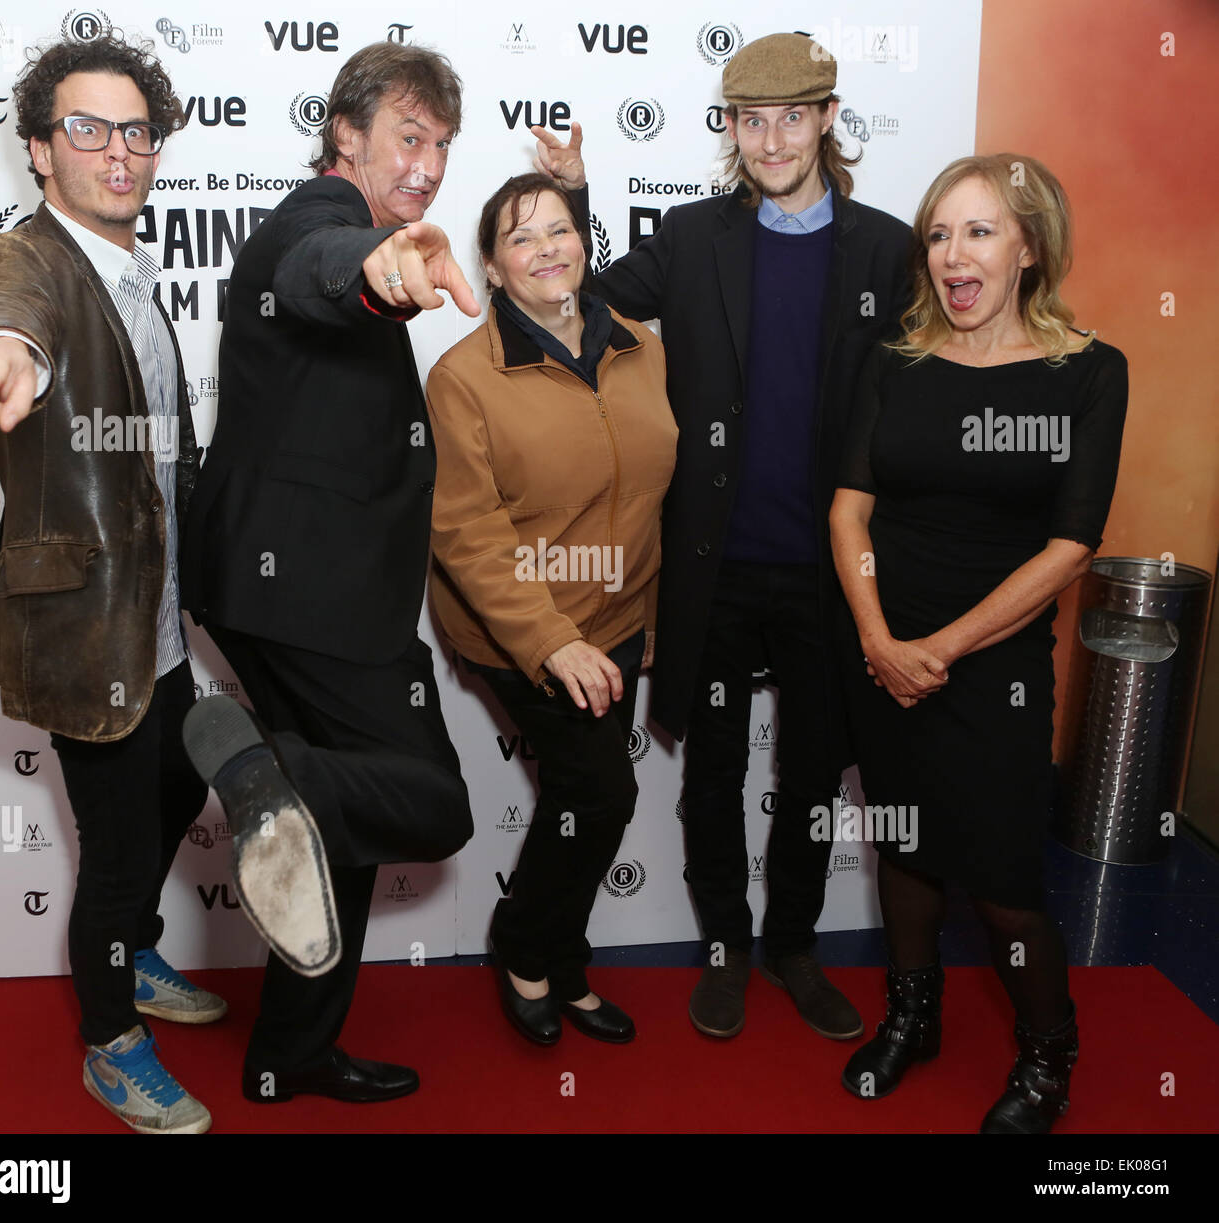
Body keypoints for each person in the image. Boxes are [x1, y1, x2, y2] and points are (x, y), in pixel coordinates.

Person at [534, 32, 912, 1040]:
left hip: (834, 569)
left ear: (828, 119)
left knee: (811, 770)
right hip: (716, 566)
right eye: (752, 119)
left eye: (793, 116)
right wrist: (571, 199)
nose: (773, 138)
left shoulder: (886, 247)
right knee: (713, 770)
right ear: (731, 128)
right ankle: (724, 948)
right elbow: (590, 293)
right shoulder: (696, 237)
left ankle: (793, 942)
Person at [178, 41, 477, 1105]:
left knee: (338, 830)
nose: (430, 163)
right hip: (309, 596)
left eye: (442, 144)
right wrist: (383, 271)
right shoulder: (309, 227)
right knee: (436, 805)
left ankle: (287, 1052)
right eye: (409, 136)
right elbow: (325, 270)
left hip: (306, 587)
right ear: (344, 135)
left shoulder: (345, 222)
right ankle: (263, 768)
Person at [0, 35, 221, 1133]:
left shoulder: (135, 274)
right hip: (84, 622)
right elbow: (6, 314)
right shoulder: (35, 261)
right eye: (87, 130)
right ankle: (111, 1038)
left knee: (178, 791)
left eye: (135, 130)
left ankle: (132, 958)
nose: (118, 151)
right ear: (41, 151)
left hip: (153, 617)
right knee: (118, 851)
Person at [829, 153, 1127, 1132]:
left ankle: (1048, 1055)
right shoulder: (894, 359)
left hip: (990, 667)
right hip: (884, 651)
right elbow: (848, 509)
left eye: (980, 230)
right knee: (905, 850)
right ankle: (914, 1014)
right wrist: (878, 636)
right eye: (939, 233)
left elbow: (1072, 545)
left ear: (1028, 247)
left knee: (1002, 885)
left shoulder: (1088, 371)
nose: (954, 254)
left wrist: (940, 648)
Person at [426, 174, 677, 1044]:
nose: (547, 250)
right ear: (491, 267)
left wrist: (647, 618)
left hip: (620, 623)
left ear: (586, 242)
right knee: (601, 792)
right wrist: (552, 643)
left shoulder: (642, 347)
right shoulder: (463, 378)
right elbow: (467, 535)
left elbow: (651, 499)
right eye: (521, 238)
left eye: (561, 229)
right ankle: (528, 949)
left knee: (592, 801)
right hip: (523, 628)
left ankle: (563, 963)